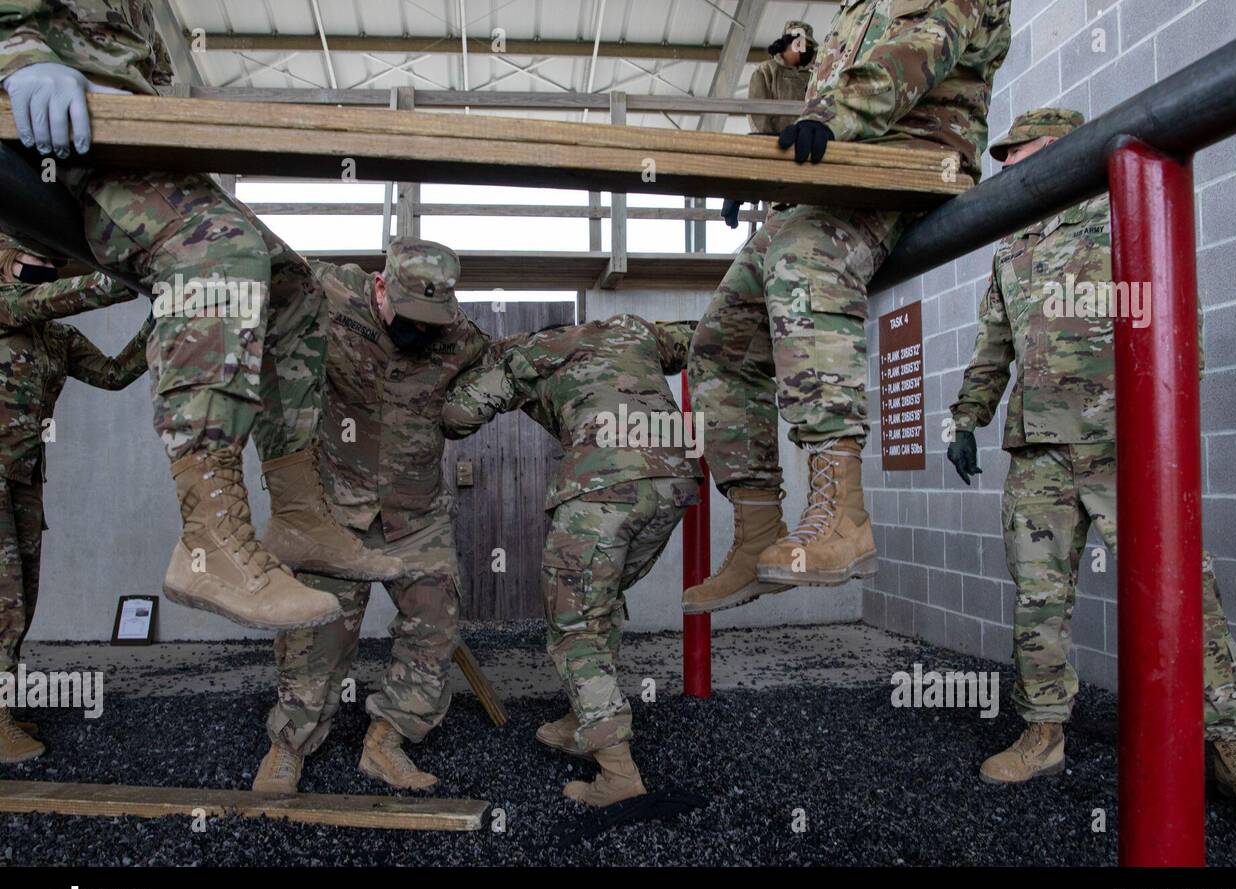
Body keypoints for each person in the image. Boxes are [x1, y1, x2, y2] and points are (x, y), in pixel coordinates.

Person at [0, 0, 399, 634]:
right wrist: (19, 57)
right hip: (52, 131)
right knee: (220, 249)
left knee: (296, 286)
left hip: (131, 139)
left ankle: (297, 514)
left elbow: (144, 70)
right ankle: (208, 538)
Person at [947, 108, 1236, 821]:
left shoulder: (1122, 208)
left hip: (1123, 443)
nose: (1007, 166)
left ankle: (1233, 745)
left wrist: (1168, 415)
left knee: (1180, 594)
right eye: (1004, 156)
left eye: (1020, 153)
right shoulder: (1011, 244)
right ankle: (1044, 730)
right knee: (1038, 603)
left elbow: (1176, 313)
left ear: (1061, 149)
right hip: (1039, 448)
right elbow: (993, 344)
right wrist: (965, 418)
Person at [686, 0, 1012, 614]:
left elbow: (913, 55)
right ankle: (759, 530)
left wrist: (831, 119)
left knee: (805, 258)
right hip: (839, 175)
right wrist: (767, 171)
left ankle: (843, 516)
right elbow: (821, 110)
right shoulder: (850, 10)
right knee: (720, 342)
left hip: (910, 164)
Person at [254, 240, 492, 794]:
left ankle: (387, 740)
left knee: (434, 627)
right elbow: (252, 259)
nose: (418, 331)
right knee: (317, 633)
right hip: (336, 507)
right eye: (407, 316)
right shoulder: (327, 290)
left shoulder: (463, 339)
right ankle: (289, 745)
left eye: (431, 320)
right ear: (381, 286)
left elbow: (510, 374)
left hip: (418, 513)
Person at [443, 315, 701, 807]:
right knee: (599, 599)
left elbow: (459, 416)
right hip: (674, 483)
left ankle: (617, 772)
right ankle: (583, 715)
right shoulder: (633, 328)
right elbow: (702, 338)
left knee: (576, 623)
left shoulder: (533, 353)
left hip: (604, 487)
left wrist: (508, 382)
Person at [0, 234, 147, 762]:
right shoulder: (6, 304)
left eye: (50, 262)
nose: (45, 270)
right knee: (4, 604)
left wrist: (160, 317)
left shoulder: (55, 339)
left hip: (24, 479)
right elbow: (47, 298)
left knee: (22, 599)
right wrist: (130, 277)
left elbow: (113, 374)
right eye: (32, 260)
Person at [720, 20, 818, 230]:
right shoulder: (766, 71)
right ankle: (737, 196)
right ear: (787, 43)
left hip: (806, 144)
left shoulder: (813, 78)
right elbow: (758, 112)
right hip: (775, 143)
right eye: (799, 44)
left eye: (807, 46)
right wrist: (769, 142)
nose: (803, 50)